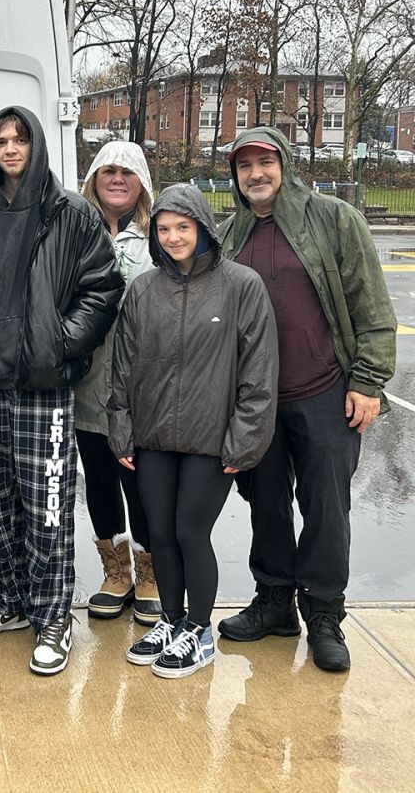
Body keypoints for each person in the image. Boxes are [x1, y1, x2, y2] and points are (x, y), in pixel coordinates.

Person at [216, 127, 397, 671]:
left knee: (325, 507)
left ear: (284, 164)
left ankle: (324, 614)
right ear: (236, 175)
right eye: (244, 166)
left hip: (325, 391)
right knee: (265, 502)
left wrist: (367, 381)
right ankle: (274, 602)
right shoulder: (227, 235)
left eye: (264, 163)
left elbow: (372, 306)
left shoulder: (334, 219)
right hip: (256, 401)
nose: (255, 174)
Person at [0, 106, 122, 676]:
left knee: (46, 507)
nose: (9, 149)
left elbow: (103, 287)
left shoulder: (70, 212)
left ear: (36, 145)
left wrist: (58, 343)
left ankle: (53, 615)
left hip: (43, 388)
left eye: (19, 139)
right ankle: (9, 600)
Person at [110, 184, 278, 678]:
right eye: (163, 229)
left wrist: (245, 438)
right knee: (159, 533)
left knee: (189, 531)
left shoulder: (241, 285)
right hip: (154, 435)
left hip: (212, 439)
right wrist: (121, 426)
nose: (173, 237)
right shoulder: (143, 290)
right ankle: (170, 619)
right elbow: (122, 367)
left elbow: (258, 369)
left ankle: (198, 629)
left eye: (183, 227)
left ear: (203, 227)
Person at [74, 141, 160, 624]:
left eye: (127, 172)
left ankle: (149, 572)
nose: (117, 179)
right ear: (93, 179)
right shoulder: (77, 232)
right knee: (101, 482)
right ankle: (115, 570)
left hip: (141, 390)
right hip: (87, 386)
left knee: (141, 484)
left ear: (142, 181)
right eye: (107, 171)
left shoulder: (156, 237)